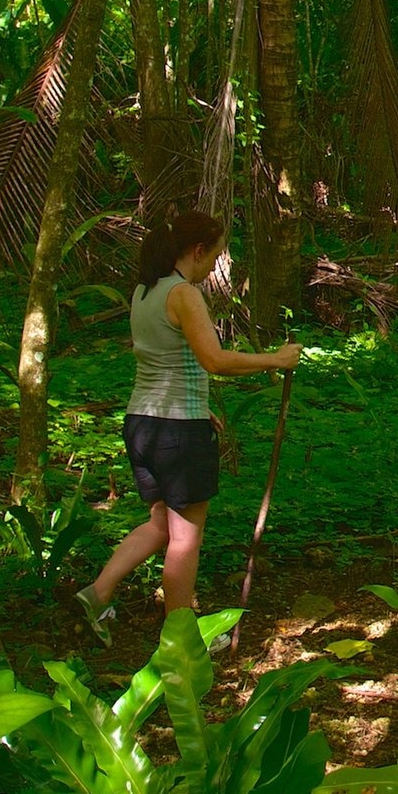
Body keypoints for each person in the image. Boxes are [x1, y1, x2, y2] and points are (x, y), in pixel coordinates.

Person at [74, 210, 301, 642]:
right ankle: (182, 637)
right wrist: (276, 358)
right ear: (197, 251)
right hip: (176, 432)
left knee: (162, 524)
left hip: (144, 421)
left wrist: (199, 406)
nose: (215, 265)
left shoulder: (145, 291)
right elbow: (213, 360)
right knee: (184, 538)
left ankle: (99, 592)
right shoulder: (183, 294)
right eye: (214, 256)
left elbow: (163, 362)